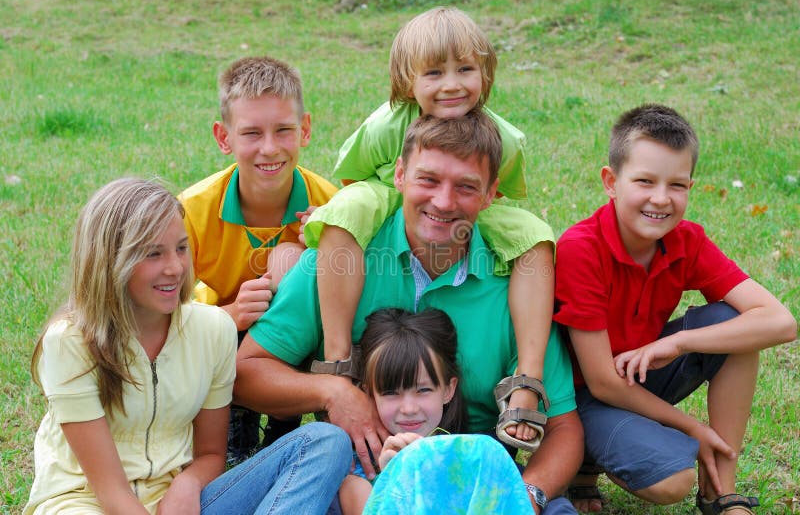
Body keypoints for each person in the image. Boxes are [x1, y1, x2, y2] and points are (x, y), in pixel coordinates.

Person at [236, 112, 583, 515]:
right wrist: (333, 391)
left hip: (471, 478)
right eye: (428, 180)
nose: (444, 202)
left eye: (466, 187)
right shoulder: (340, 259)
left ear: (490, 194)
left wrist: (525, 497)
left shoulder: (518, 284)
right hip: (362, 468)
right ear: (400, 174)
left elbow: (564, 427)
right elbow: (246, 374)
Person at [302, 7, 554, 452]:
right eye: (434, 73)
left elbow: (504, 191)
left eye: (465, 70)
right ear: (407, 81)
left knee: (536, 238)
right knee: (345, 212)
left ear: (485, 74)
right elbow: (355, 175)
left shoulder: (504, 138)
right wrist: (368, 211)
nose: (451, 85)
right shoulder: (386, 125)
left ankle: (527, 379)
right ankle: (338, 359)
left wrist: (469, 208)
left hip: (472, 201)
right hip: (390, 190)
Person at [24, 178, 351, 514]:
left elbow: (210, 454)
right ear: (109, 262)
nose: (175, 268)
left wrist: (190, 482)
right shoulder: (69, 342)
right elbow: (110, 491)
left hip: (178, 504)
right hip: (86, 503)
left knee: (325, 443)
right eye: (153, 254)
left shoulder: (213, 329)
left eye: (181, 248)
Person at [553, 104, 797, 514]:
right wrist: (691, 427)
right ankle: (582, 463)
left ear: (690, 187)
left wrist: (681, 342)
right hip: (580, 400)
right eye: (645, 181)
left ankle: (722, 494)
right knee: (672, 480)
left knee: (734, 326)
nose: (661, 199)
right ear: (611, 182)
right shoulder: (581, 249)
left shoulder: (686, 240)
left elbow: (781, 322)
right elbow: (602, 383)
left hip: (638, 374)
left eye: (677, 185)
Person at [179, 55, 338, 463]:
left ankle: (285, 423)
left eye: (283, 130)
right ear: (224, 137)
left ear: (305, 130)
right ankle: (233, 418)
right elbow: (160, 311)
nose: (269, 148)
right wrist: (229, 315)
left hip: (297, 337)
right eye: (251, 133)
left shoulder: (331, 206)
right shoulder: (191, 212)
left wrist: (330, 244)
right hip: (219, 332)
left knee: (293, 261)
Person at [339, 307, 536, 515]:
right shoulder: (357, 481)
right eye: (390, 393)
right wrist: (394, 478)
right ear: (370, 395)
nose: (409, 409)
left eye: (423, 390)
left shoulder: (475, 460)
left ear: (448, 390)